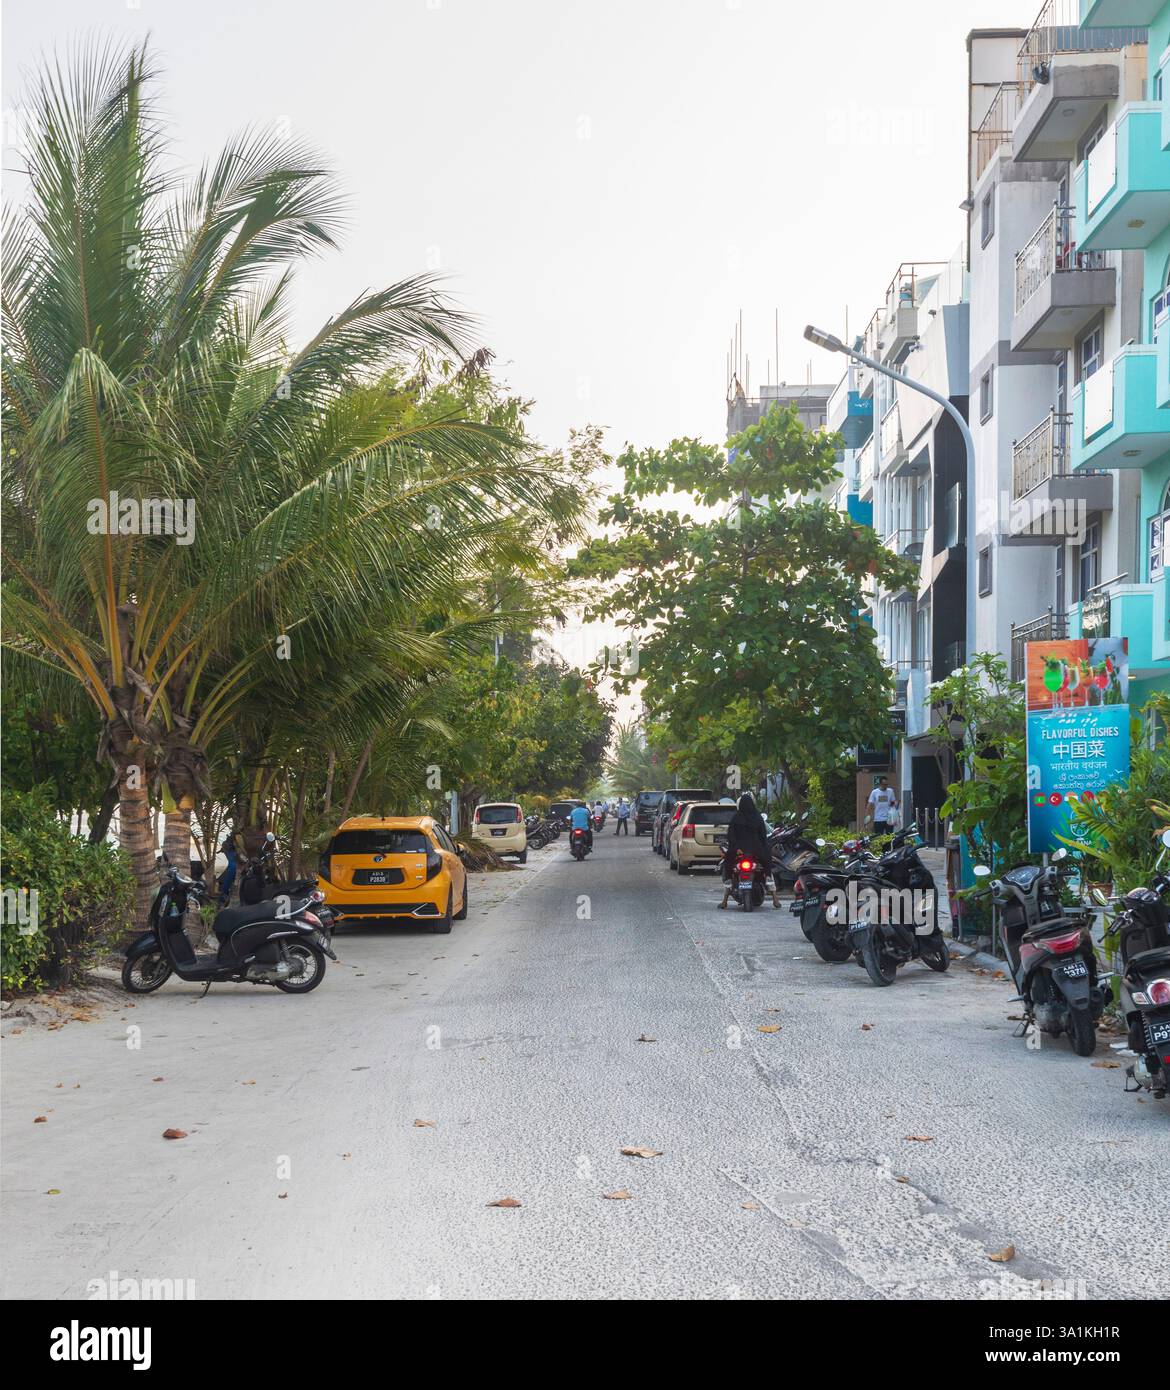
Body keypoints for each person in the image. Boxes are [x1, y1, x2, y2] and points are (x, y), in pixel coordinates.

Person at [718, 792, 780, 909]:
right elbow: (763, 836)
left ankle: (726, 893)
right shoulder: (757, 817)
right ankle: (773, 894)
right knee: (767, 864)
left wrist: (737, 849)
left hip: (739, 850)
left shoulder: (736, 818)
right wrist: (762, 847)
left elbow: (731, 835)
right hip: (756, 850)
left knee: (728, 864)